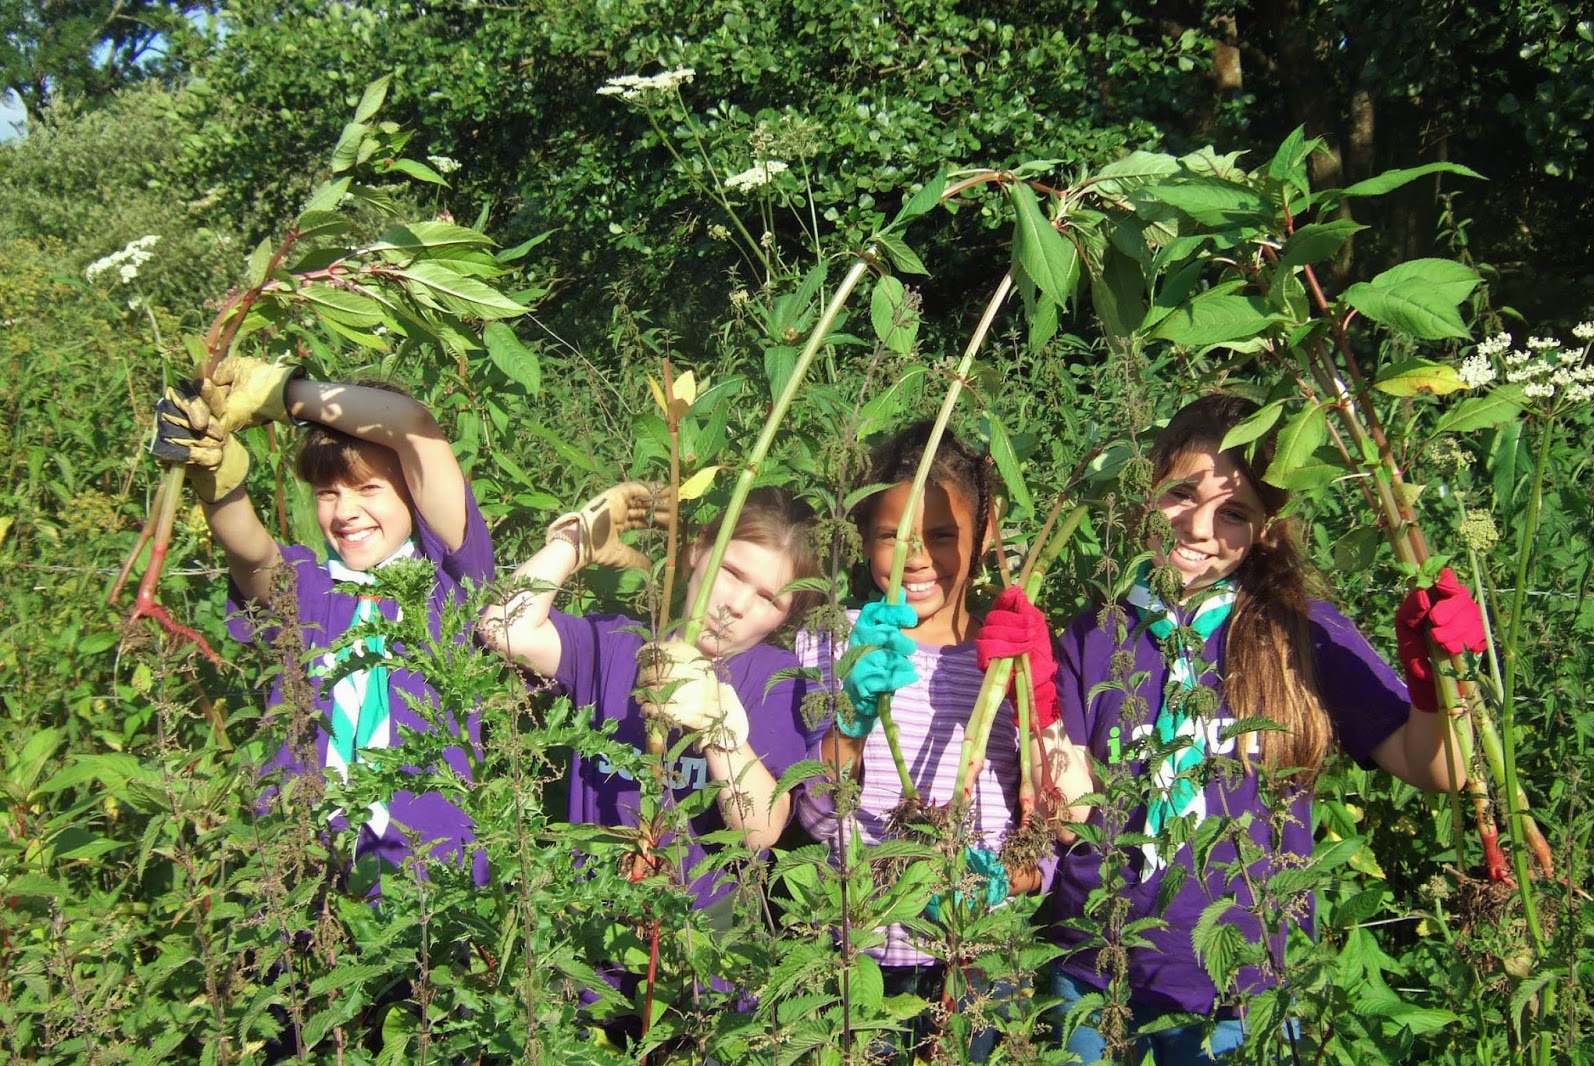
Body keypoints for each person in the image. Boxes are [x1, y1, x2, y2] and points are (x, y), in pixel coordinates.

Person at [1037, 393, 1478, 1063]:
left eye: (1234, 512)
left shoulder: (1303, 633)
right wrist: (1022, 679)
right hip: (1095, 977)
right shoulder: (1094, 635)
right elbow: (1064, 809)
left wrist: (1438, 681)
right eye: (1182, 494)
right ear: (1147, 489)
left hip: (1238, 989)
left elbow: (1438, 769)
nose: (1199, 527)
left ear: (1268, 528)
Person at [151, 358, 495, 888]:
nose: (345, 512)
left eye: (369, 489)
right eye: (328, 493)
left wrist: (282, 393)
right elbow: (250, 554)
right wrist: (213, 471)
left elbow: (415, 428)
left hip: (433, 881)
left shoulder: (451, 581)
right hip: (307, 882)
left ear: (414, 493)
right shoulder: (312, 593)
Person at [793, 422, 1048, 1059]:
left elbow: (1047, 820)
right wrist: (851, 716)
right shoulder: (835, 640)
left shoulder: (1006, 656)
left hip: (978, 955)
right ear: (860, 540)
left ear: (984, 535)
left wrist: (1015, 877)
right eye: (892, 536)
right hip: (861, 955)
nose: (916, 558)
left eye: (941, 535)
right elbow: (814, 813)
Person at [477, 483, 826, 908]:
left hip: (694, 947)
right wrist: (574, 541)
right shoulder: (616, 644)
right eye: (731, 572)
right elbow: (504, 631)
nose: (736, 604)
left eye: (770, 599)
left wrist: (719, 727)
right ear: (697, 550)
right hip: (590, 931)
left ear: (788, 616)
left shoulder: (780, 681)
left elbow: (760, 831)